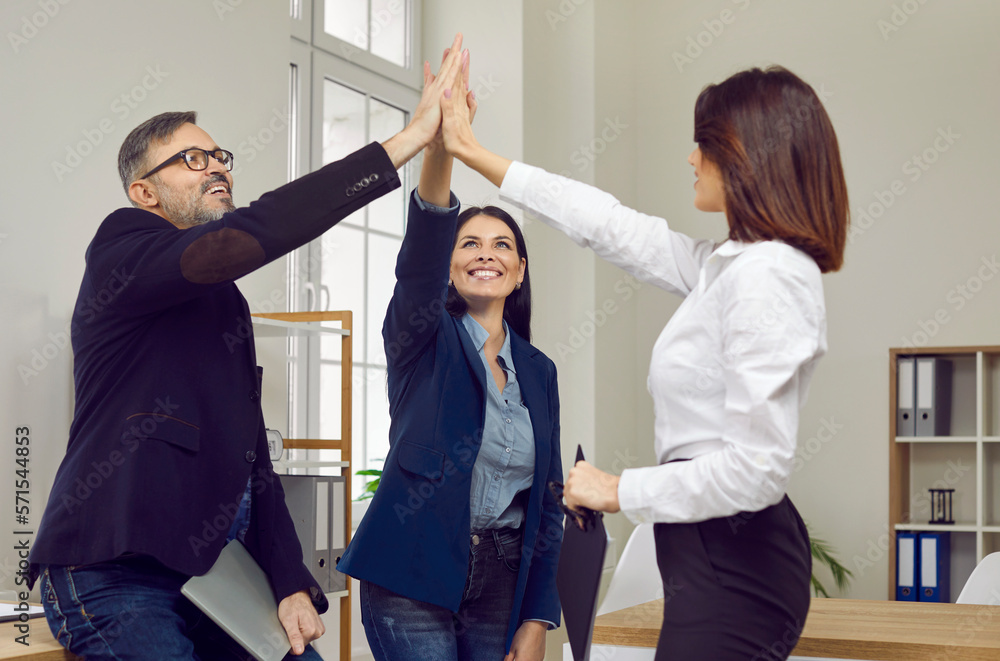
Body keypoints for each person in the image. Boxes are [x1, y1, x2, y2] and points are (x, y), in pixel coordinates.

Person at [28, 34, 469, 661]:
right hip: (111, 573)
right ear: (144, 193)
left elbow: (250, 457)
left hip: (217, 579)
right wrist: (407, 141)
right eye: (190, 159)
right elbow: (243, 236)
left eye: (219, 155)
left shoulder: (223, 301)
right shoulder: (119, 246)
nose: (216, 167)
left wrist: (290, 579)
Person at [440, 65, 849, 660]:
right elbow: (608, 225)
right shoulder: (729, 265)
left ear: (745, 156)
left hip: (739, 557)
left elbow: (760, 470)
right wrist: (473, 153)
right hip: (702, 548)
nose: (691, 159)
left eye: (703, 144)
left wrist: (618, 489)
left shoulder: (772, 276)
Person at [337, 51, 563, 661]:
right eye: (469, 243)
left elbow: (547, 503)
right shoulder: (421, 334)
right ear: (451, 264)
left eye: (501, 245)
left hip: (502, 584)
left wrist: (538, 618)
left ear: (518, 272)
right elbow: (422, 247)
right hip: (411, 571)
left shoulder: (539, 373)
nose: (484, 254)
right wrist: (440, 142)